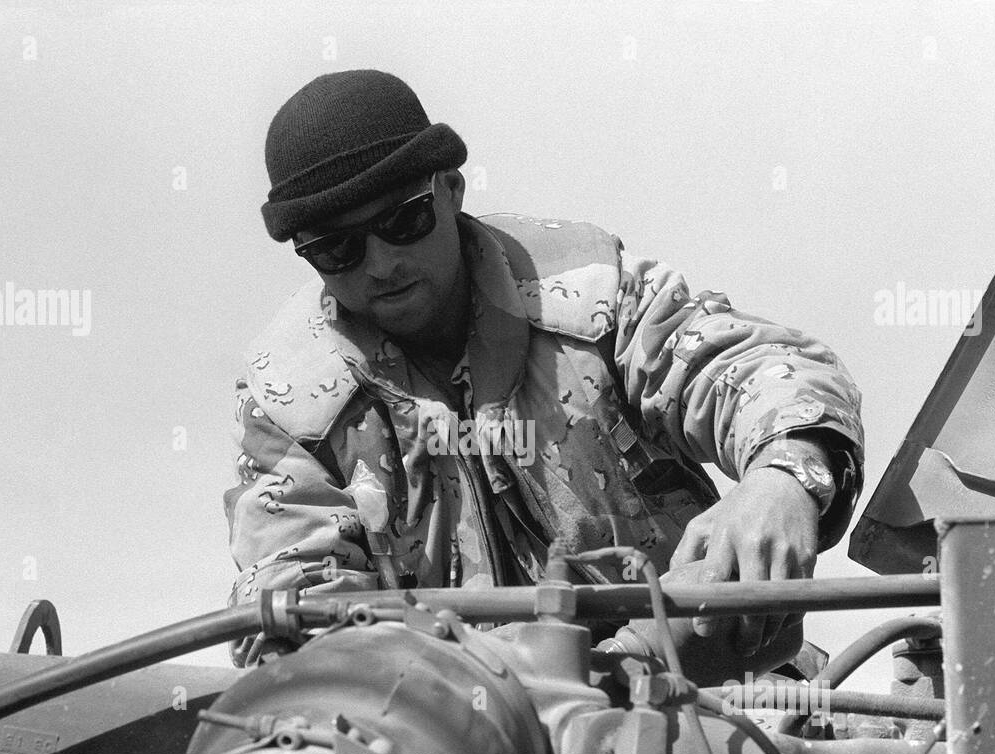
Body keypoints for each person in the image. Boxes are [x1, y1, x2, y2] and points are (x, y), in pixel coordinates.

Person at [224, 70, 864, 677]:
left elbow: (751, 371)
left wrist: (787, 474)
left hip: (705, 701)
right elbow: (294, 611)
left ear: (451, 189)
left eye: (402, 221)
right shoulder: (289, 404)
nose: (383, 263)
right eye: (338, 248)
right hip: (459, 750)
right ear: (305, 254)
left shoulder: (592, 297)